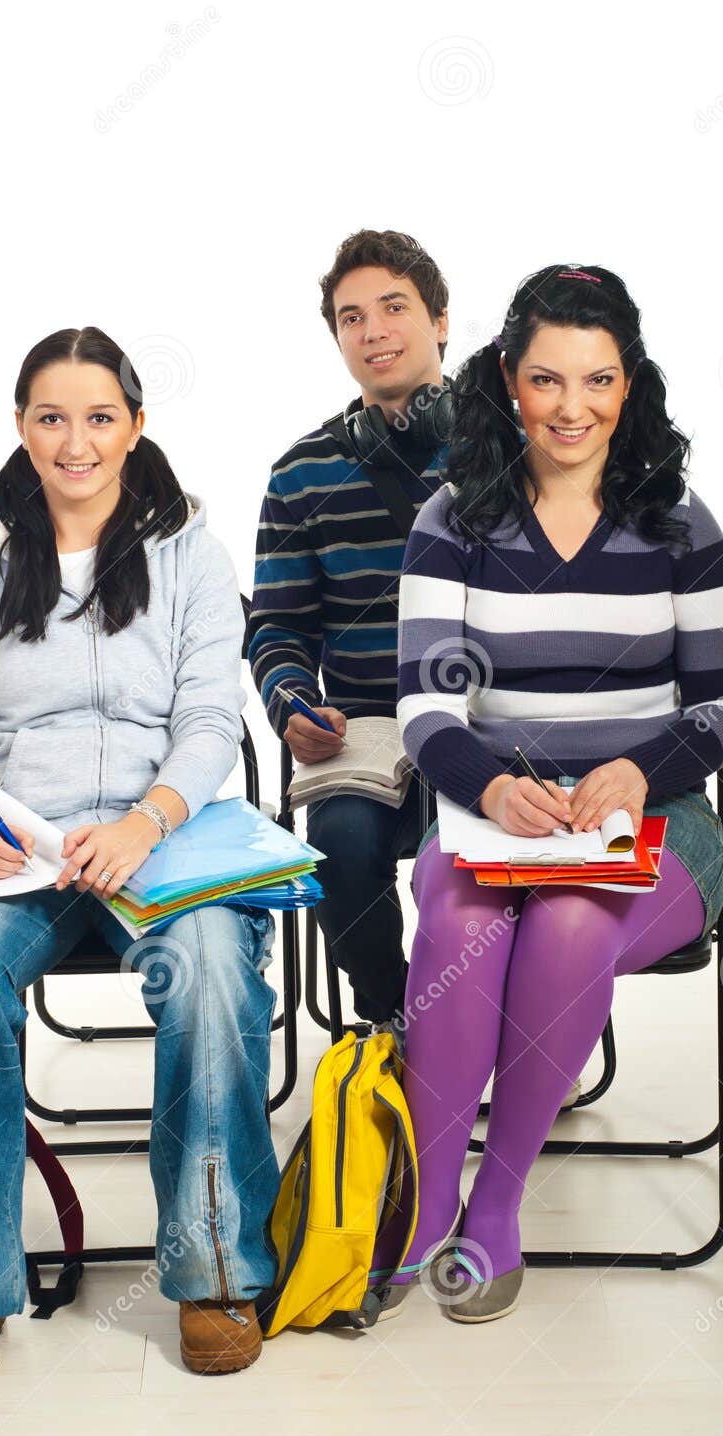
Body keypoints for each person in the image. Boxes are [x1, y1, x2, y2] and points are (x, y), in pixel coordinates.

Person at [0, 326, 278, 1383]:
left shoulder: (190, 551)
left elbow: (210, 716)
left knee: (207, 968)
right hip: (17, 852)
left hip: (162, 840)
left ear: (136, 424)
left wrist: (146, 820)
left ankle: (214, 1270)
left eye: (99, 416)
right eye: (52, 418)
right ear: (21, 428)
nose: (76, 441)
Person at [377, 265, 723, 1321]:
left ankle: (495, 1212)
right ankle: (424, 1202)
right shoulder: (455, 520)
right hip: (495, 812)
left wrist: (642, 769)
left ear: (629, 383)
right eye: (547, 380)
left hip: (659, 820)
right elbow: (426, 710)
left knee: (572, 926)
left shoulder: (679, 522)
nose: (572, 408)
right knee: (461, 927)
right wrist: (495, 785)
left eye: (597, 381)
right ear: (508, 378)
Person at [248, 229, 451, 1030]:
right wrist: (292, 703)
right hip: (364, 731)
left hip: (495, 728)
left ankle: (493, 1018)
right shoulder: (301, 472)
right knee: (338, 843)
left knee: (466, 861)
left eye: (393, 308)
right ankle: (406, 1026)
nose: (373, 332)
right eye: (350, 318)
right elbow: (277, 626)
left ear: (439, 320)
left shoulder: (517, 448)